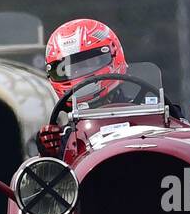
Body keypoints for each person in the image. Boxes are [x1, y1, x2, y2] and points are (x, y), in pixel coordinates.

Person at [38, 18, 131, 155]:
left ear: (114, 54)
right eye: (67, 69)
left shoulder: (154, 113)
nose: (79, 74)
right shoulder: (65, 136)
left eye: (91, 62)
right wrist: (48, 150)